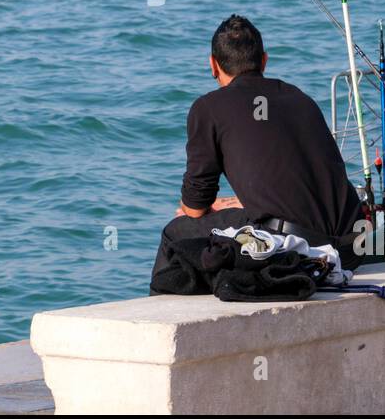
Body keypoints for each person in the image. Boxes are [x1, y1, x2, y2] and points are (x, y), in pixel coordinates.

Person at [150, 15, 364, 291]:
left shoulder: (208, 108)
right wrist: (244, 202)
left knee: (176, 233)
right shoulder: (300, 98)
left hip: (298, 247)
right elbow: (298, 177)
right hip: (351, 247)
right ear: (264, 60)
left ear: (213, 64)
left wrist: (214, 206)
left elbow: (194, 206)